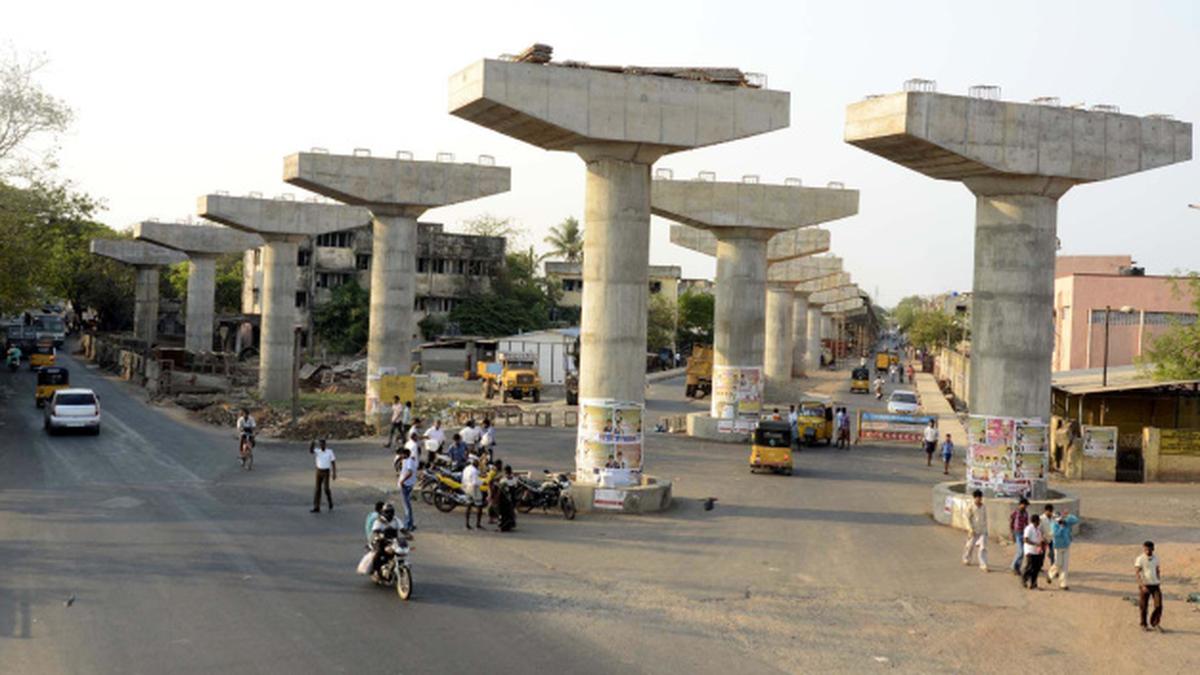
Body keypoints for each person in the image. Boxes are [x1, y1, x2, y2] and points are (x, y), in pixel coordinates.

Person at [1135, 541, 1164, 632]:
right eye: (1146, 549)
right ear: (1143, 549)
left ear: (1153, 549)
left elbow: (1157, 570)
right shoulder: (1140, 559)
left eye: (1149, 549)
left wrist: (1158, 580)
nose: (1147, 551)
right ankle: (1143, 624)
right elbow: (1137, 572)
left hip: (1155, 584)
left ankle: (1155, 623)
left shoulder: (1156, 558)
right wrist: (1141, 584)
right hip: (1145, 585)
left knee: (1158, 605)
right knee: (1143, 606)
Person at [369, 503, 404, 577]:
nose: (389, 514)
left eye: (391, 512)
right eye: (387, 512)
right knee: (378, 553)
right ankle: (376, 570)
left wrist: (408, 535)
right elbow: (375, 531)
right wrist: (379, 536)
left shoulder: (396, 520)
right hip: (381, 542)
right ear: (383, 512)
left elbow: (402, 529)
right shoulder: (379, 521)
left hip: (393, 541)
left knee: (400, 551)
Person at [1049, 510, 1079, 589]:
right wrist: (1061, 528)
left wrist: (1069, 515)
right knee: (1058, 563)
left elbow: (1076, 520)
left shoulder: (1067, 522)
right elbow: (1055, 534)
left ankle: (1063, 584)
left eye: (1060, 519)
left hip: (1066, 546)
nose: (1060, 521)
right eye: (1058, 520)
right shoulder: (1053, 525)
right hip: (1058, 547)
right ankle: (1050, 575)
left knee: (1065, 567)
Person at [962, 489, 988, 572]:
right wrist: (969, 528)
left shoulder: (983, 507)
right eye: (977, 498)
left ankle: (983, 564)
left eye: (980, 498)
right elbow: (966, 518)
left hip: (982, 530)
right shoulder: (971, 507)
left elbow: (985, 518)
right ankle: (966, 558)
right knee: (970, 546)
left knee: (983, 548)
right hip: (973, 530)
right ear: (974, 498)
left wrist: (986, 530)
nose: (979, 500)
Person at [309, 439, 336, 513]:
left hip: (326, 472)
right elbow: (311, 451)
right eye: (320, 445)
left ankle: (330, 501)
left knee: (326, 488)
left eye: (322, 444)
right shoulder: (318, 451)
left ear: (325, 445)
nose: (321, 446)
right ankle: (316, 507)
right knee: (317, 489)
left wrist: (334, 473)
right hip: (318, 471)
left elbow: (333, 462)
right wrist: (312, 444)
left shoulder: (329, 452)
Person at [396, 447, 419, 534]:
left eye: (401, 454)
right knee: (408, 506)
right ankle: (411, 524)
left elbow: (410, 472)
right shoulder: (408, 460)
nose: (400, 456)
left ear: (405, 454)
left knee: (407, 507)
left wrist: (402, 481)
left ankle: (407, 526)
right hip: (408, 484)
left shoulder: (409, 461)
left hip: (406, 485)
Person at [1021, 514, 1046, 589]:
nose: (1039, 523)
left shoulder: (1037, 529)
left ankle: (1033, 583)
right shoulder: (1028, 528)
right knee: (1030, 567)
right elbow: (1025, 540)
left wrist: (1042, 543)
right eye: (1038, 521)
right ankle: (1024, 579)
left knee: (1036, 568)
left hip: (1037, 551)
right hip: (1030, 550)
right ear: (1036, 521)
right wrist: (1036, 544)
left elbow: (1039, 538)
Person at [461, 455, 484, 530]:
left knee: (468, 505)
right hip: (473, 488)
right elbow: (475, 482)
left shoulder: (467, 468)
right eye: (477, 462)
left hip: (466, 487)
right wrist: (482, 481)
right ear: (475, 462)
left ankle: (466, 524)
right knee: (479, 506)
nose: (478, 463)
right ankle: (478, 525)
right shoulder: (474, 471)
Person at [1009, 498, 1030, 575]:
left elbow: (1027, 524)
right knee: (1020, 551)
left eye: (1026, 505)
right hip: (1017, 532)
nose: (1025, 507)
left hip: (1023, 533)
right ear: (1020, 504)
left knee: (1022, 552)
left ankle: (1017, 567)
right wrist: (1011, 533)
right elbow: (1011, 522)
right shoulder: (1015, 512)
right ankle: (1013, 566)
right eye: (1024, 505)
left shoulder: (1026, 513)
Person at [496, 464, 518, 532]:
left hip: (504, 499)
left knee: (503, 513)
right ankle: (509, 526)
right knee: (510, 513)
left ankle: (502, 526)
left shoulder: (503, 480)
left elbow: (500, 490)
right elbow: (515, 488)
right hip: (512, 499)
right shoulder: (514, 479)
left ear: (505, 471)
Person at [1040, 504, 1057, 581]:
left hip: (1052, 538)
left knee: (1053, 554)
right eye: (1049, 511)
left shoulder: (1053, 518)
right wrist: (1043, 538)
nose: (1050, 513)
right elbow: (1039, 530)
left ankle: (1053, 570)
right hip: (1044, 539)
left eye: (1051, 511)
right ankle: (1039, 567)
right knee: (1042, 554)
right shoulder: (1041, 518)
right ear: (1046, 511)